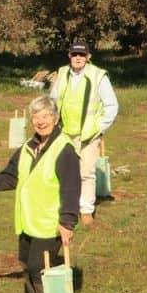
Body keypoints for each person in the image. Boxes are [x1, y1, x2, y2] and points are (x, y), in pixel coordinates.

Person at [0, 95, 80, 293]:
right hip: (27, 220)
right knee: (25, 264)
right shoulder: (28, 147)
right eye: (36, 117)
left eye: (46, 116)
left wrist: (67, 222)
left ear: (56, 117)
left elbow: (71, 188)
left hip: (49, 222)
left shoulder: (64, 149)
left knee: (37, 268)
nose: (41, 121)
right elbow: (11, 176)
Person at [48, 41, 119, 225]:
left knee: (86, 172)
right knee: (64, 171)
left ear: (88, 57)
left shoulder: (98, 76)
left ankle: (86, 210)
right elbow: (54, 100)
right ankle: (65, 206)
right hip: (65, 132)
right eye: (74, 54)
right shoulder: (63, 73)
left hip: (88, 133)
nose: (78, 58)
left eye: (81, 55)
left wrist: (99, 128)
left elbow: (111, 106)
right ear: (69, 56)